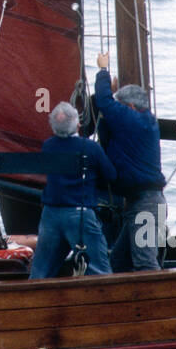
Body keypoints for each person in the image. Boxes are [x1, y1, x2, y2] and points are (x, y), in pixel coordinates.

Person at [94, 54, 166, 272]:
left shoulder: (133, 120)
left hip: (145, 205)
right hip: (140, 202)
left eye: (121, 106)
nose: (118, 111)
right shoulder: (144, 122)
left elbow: (105, 102)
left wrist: (103, 70)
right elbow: (108, 134)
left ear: (131, 107)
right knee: (118, 262)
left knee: (145, 262)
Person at [27, 102, 115, 279]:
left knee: (41, 272)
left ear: (53, 126)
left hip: (50, 214)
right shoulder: (90, 147)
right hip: (79, 214)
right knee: (99, 271)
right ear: (77, 124)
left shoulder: (48, 146)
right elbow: (111, 176)